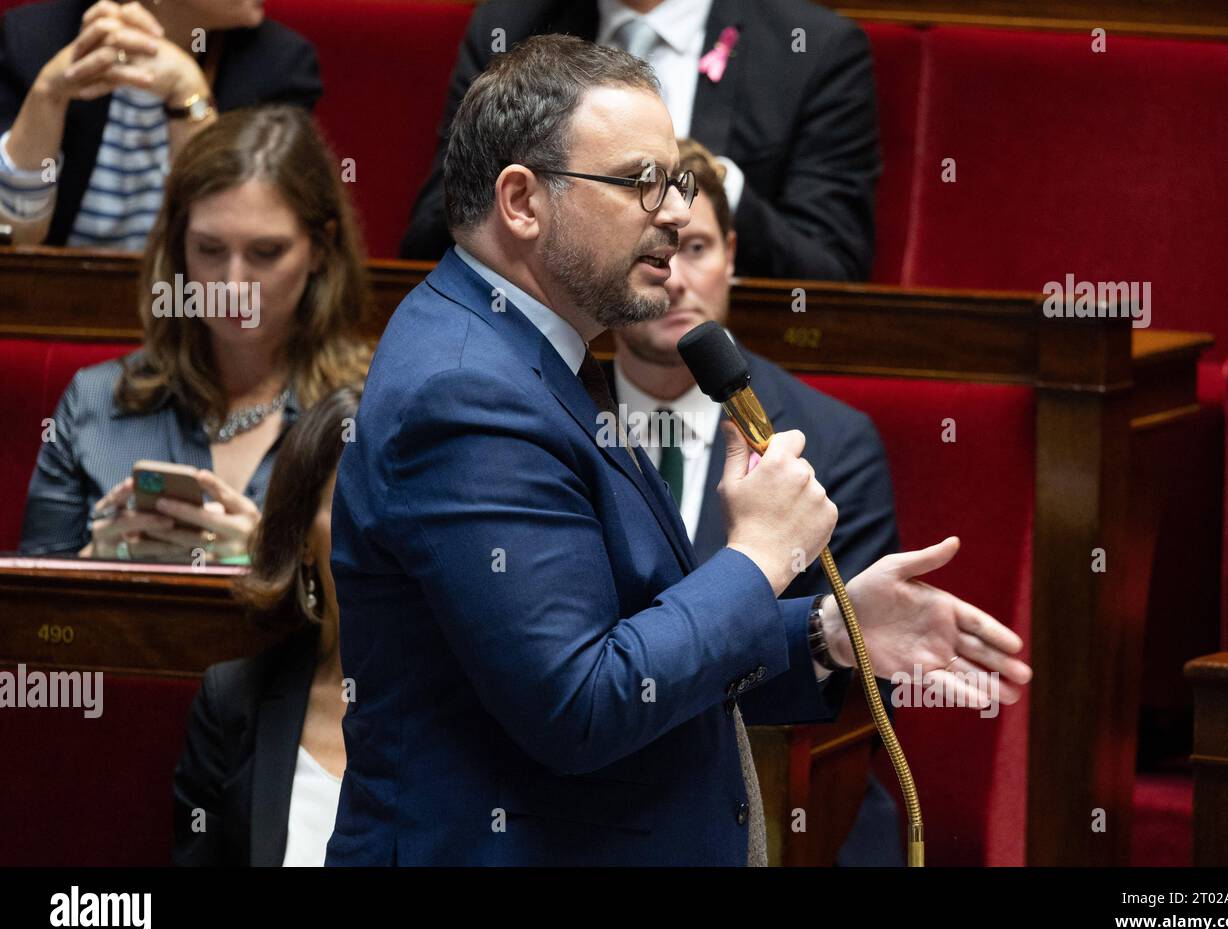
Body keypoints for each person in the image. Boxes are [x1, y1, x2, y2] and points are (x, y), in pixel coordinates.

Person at [327, 35, 1029, 867]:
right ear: (521, 201)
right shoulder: (468, 390)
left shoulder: (521, 350)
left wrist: (820, 631)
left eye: (678, 182)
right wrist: (762, 556)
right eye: (638, 182)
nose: (672, 210)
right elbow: (581, 704)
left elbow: (621, 636)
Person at [606, 136, 904, 864]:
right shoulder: (551, 420)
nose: (677, 278)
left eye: (697, 247)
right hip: (596, 799)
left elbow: (857, 688)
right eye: (655, 251)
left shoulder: (830, 441)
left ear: (733, 254)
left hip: (790, 802)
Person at [19, 105, 372, 561]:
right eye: (209, 249)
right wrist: (93, 567)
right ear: (179, 246)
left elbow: (393, 620)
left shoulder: (369, 411)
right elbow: (34, 615)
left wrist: (268, 562)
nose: (232, 285)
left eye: (266, 252)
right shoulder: (97, 399)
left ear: (320, 249)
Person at [400, 0, 881, 281]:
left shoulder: (811, 49)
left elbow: (830, 273)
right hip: (541, 352)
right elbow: (436, 232)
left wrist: (716, 186)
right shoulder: (509, 27)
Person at [173, 385, 360, 866]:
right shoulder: (235, 704)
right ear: (302, 539)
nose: (381, 533)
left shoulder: (480, 706)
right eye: (354, 506)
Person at [0, 0, 320, 248]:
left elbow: (234, 242)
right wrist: (47, 95)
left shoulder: (279, 67)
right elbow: (15, 237)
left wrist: (190, 96)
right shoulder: (31, 41)